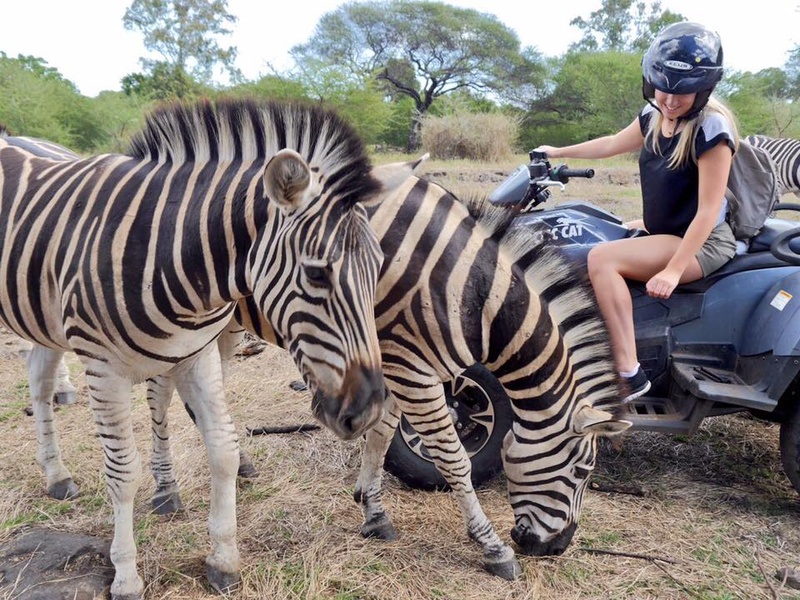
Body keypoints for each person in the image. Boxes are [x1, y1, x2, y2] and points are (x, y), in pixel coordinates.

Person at [535, 21, 740, 401]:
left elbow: (709, 211)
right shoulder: (653, 117)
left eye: (685, 93)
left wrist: (674, 268)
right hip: (667, 230)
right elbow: (612, 143)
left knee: (603, 259)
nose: (672, 100)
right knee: (593, 236)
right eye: (665, 89)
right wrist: (558, 152)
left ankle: (630, 374)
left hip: (702, 241)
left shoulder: (712, 129)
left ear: (705, 89)